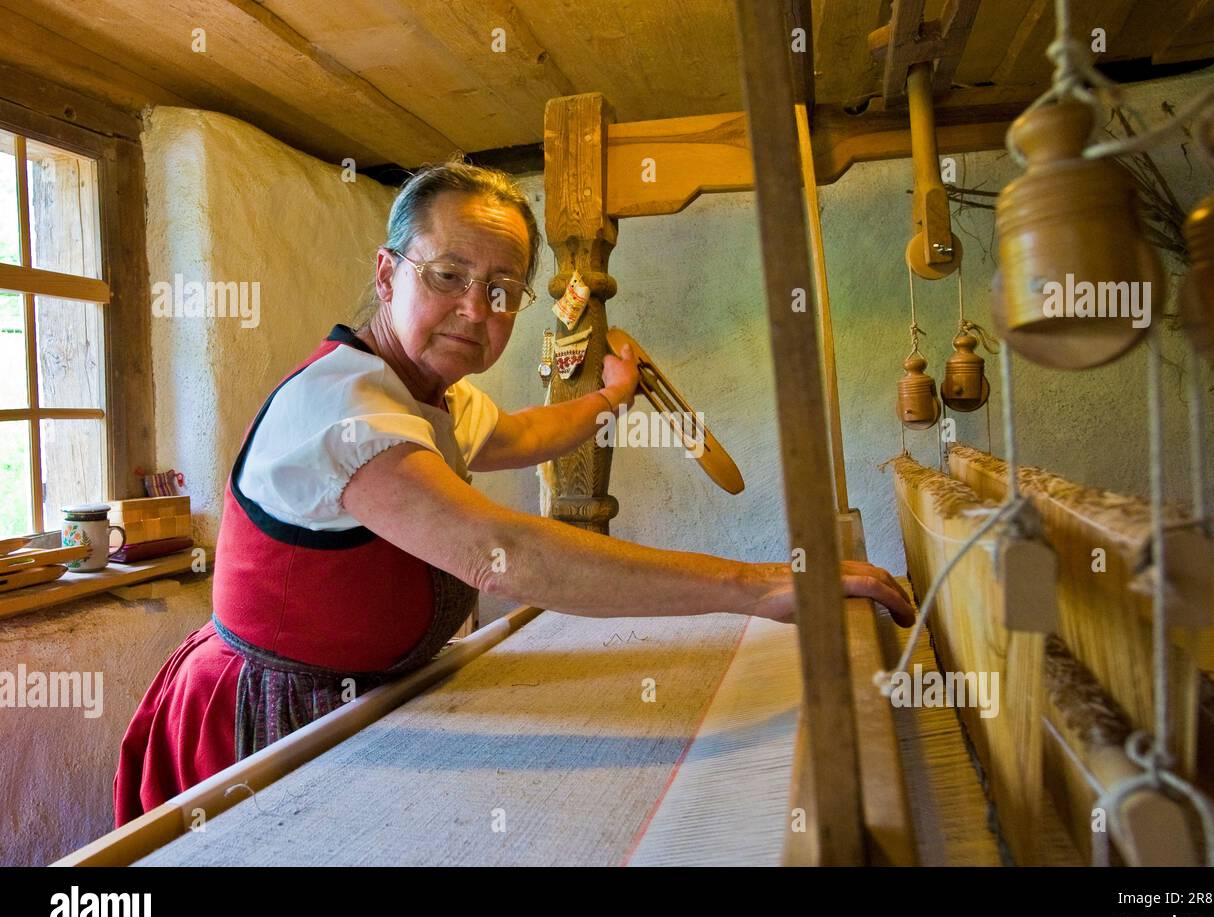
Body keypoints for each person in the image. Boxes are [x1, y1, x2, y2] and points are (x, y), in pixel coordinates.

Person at [113, 160, 914, 826]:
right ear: (387, 273)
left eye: (501, 291)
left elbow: (521, 434)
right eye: (448, 275)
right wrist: (761, 585)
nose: (474, 309)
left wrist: (608, 399)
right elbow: (510, 556)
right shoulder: (346, 412)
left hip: (363, 697)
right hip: (268, 715)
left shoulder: (432, 392)